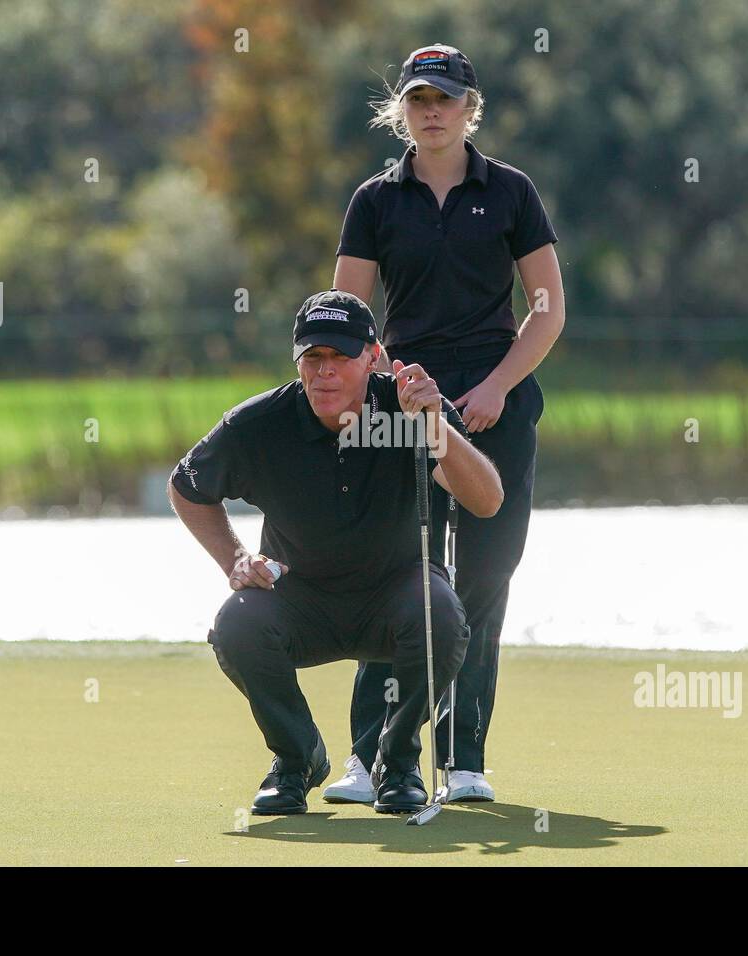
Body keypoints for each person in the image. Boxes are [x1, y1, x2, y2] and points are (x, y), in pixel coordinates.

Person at [327, 44, 565, 804]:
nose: (432, 112)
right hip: (405, 398)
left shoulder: (512, 191)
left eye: (445, 100)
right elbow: (350, 320)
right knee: (397, 574)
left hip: (497, 399)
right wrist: (397, 384)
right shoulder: (374, 201)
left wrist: (497, 386)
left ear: (470, 108)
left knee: (485, 578)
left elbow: (546, 309)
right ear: (401, 109)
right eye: (419, 100)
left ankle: (465, 762)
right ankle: (368, 761)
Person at [169, 289, 504, 815]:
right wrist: (234, 560)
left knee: (442, 614)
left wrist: (436, 424)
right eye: (313, 358)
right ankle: (297, 759)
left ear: (374, 357)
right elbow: (187, 487)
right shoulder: (260, 423)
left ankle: (396, 763)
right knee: (235, 624)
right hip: (300, 600)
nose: (324, 372)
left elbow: (486, 500)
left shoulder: (409, 409)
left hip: (396, 597)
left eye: (340, 358)